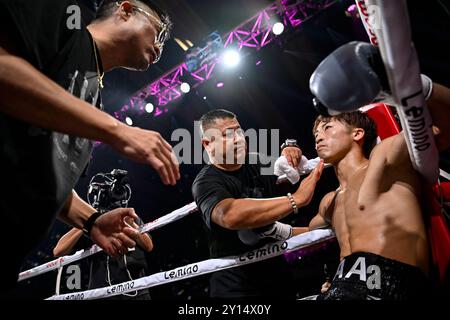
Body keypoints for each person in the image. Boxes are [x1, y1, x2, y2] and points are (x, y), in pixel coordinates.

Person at [0, 0, 180, 291]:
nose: (159, 49)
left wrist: (92, 221)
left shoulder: (94, 103)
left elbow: (50, 180)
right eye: (158, 34)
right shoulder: (61, 16)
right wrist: (114, 129)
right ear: (126, 9)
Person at [191, 109, 323, 299]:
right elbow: (229, 215)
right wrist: (295, 200)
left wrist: (289, 147)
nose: (238, 139)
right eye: (228, 134)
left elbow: (287, 163)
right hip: (235, 284)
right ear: (207, 143)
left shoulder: (258, 162)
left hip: (276, 274)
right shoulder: (206, 182)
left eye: (238, 130)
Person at [54, 216, 153, 300]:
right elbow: (58, 250)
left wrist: (132, 224)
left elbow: (148, 246)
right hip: (100, 292)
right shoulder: (93, 225)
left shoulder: (130, 218)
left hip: (136, 290)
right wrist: (89, 219)